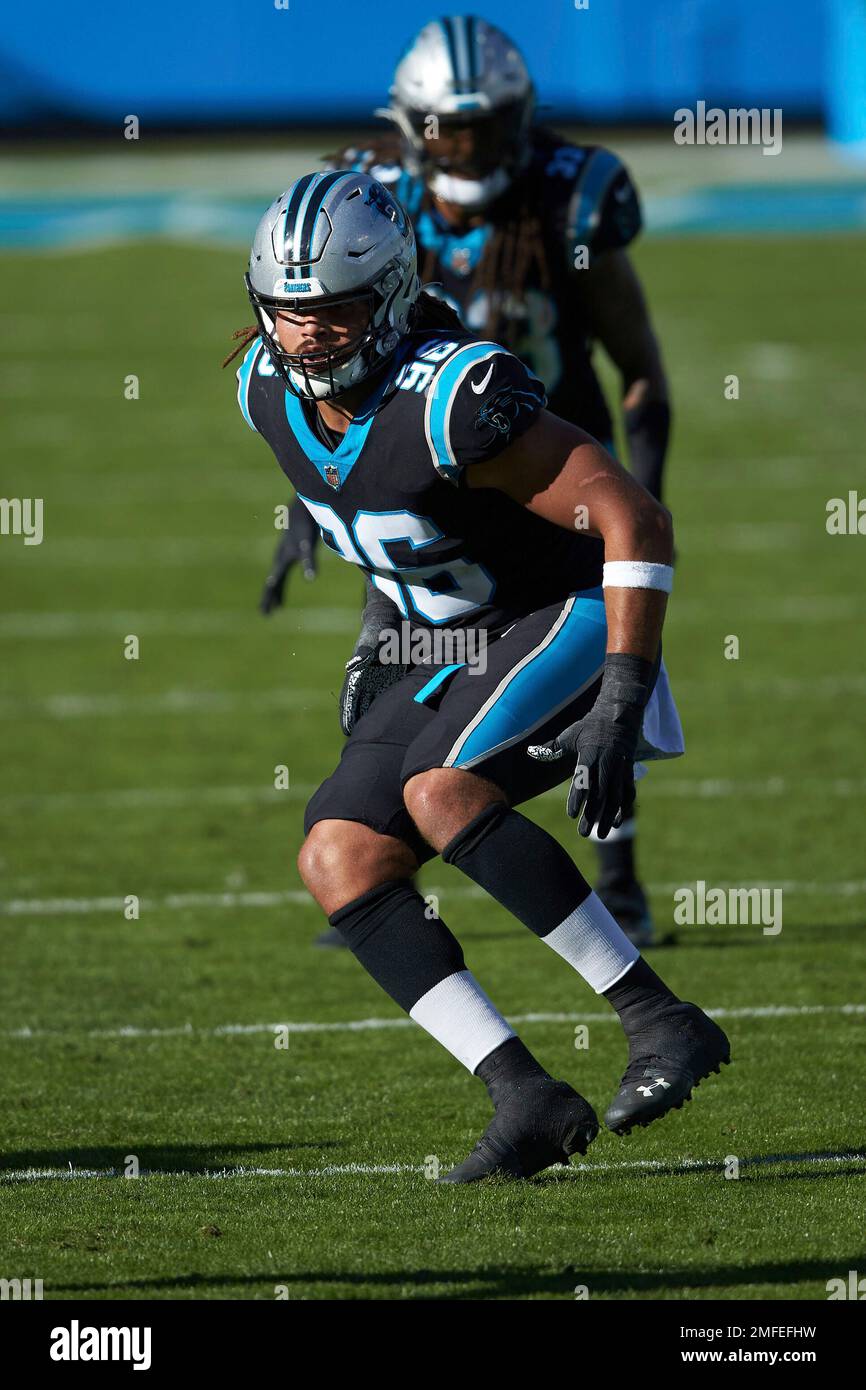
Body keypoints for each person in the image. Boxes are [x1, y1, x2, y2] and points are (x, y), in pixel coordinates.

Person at [227, 169, 729, 1183]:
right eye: (288, 313)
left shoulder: (458, 396)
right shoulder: (259, 388)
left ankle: (660, 1020)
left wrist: (624, 691)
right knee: (339, 858)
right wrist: (376, 631)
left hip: (567, 614)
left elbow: (633, 519)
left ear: (393, 295)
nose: (307, 335)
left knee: (440, 789)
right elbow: (378, 517)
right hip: (448, 640)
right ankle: (524, 1094)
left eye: (333, 312)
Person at [260, 16, 670, 945]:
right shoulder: (369, 205)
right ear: (409, 125)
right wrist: (311, 500)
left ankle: (617, 874)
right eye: (448, 127)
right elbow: (334, 391)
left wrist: (638, 510)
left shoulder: (570, 199)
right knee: (413, 662)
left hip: (549, 473)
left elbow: (638, 364)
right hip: (429, 469)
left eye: (486, 126)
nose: (468, 147)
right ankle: (370, 869)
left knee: (573, 680)